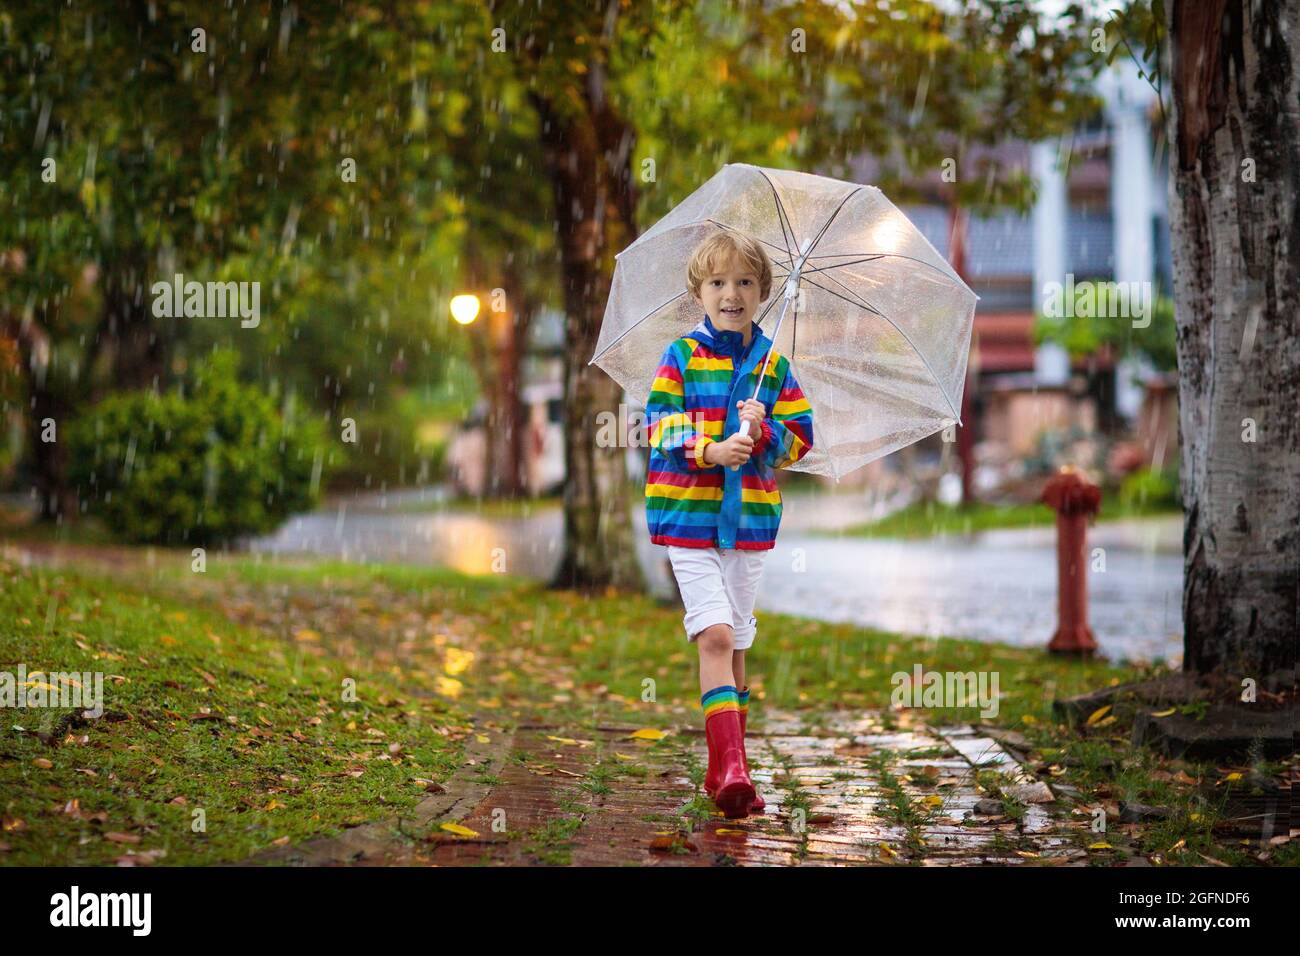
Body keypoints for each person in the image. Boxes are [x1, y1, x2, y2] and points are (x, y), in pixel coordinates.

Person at [643, 232, 814, 818]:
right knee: (714, 634)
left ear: (764, 292)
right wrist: (710, 449)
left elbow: (799, 444)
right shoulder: (681, 356)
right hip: (690, 519)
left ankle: (724, 770)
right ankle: (737, 765)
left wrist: (764, 430)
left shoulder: (776, 368)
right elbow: (659, 425)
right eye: (718, 282)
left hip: (749, 524)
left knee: (738, 641)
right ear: (699, 292)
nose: (731, 293)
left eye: (744, 282)